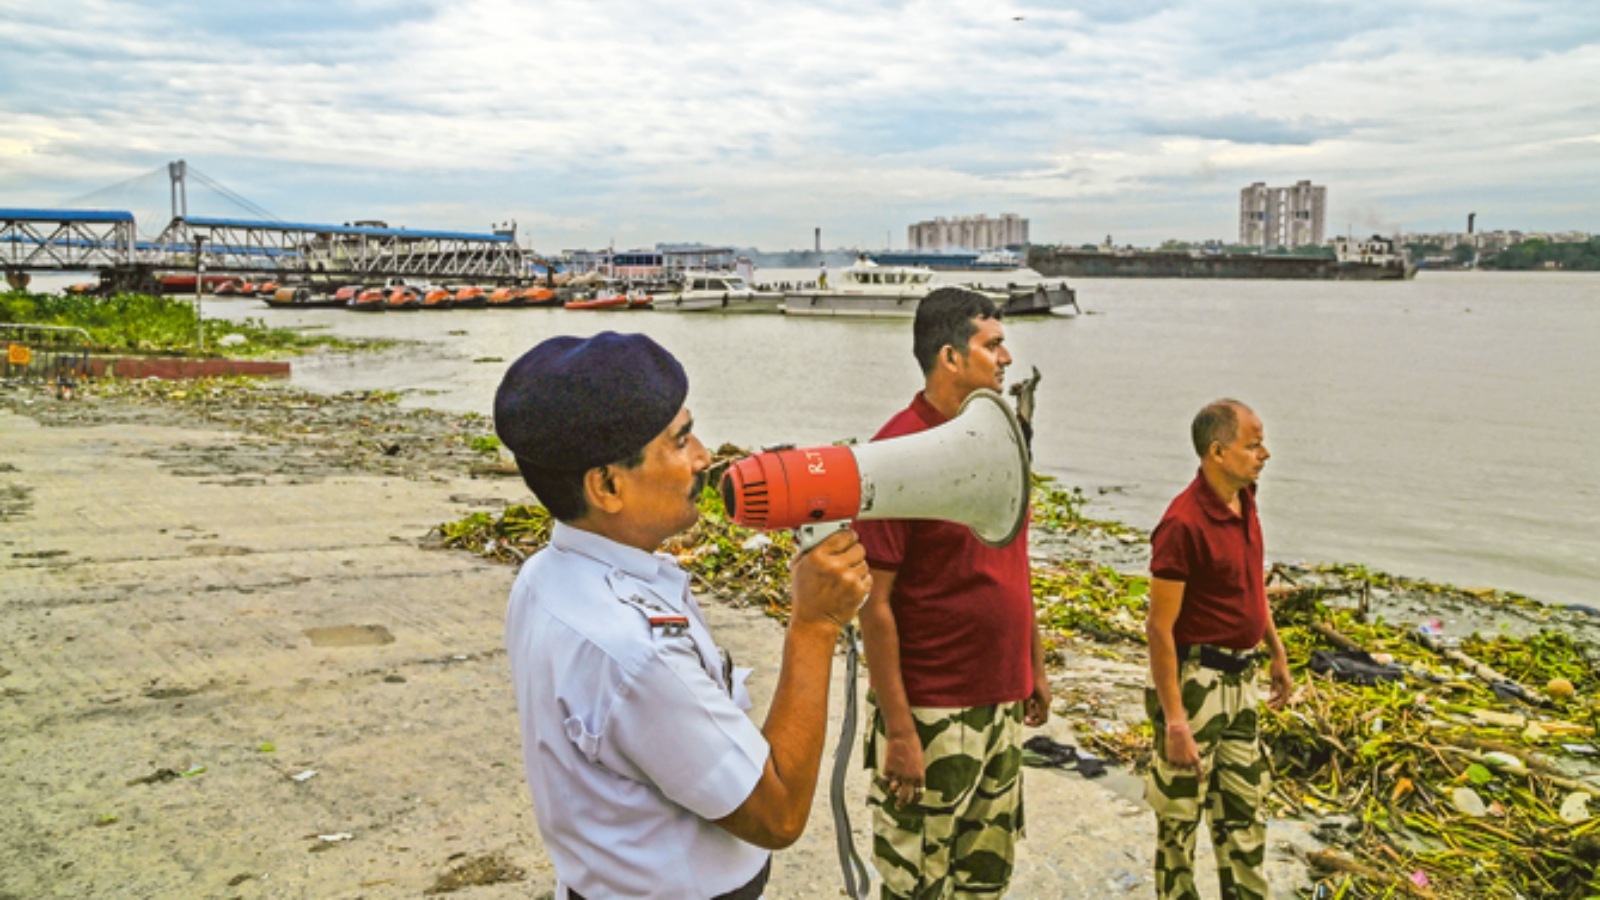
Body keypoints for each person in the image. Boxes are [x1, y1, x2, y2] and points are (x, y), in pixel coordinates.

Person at [494, 331, 872, 899]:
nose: (704, 458)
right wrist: (814, 625)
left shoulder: (546, 575)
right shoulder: (634, 651)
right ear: (607, 485)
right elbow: (778, 816)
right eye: (681, 440)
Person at [854, 287, 1051, 899]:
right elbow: (874, 606)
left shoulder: (999, 443)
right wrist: (902, 731)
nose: (1007, 358)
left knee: (985, 880)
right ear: (950, 357)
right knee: (917, 883)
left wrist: (1033, 667)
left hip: (1000, 704)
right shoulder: (898, 455)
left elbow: (1012, 563)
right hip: (934, 710)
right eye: (992, 345)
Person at [1143, 399, 1294, 900]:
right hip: (1196, 682)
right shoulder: (1182, 525)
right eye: (1252, 445)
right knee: (1180, 819)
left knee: (1244, 812)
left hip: (1241, 680)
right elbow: (1159, 629)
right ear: (1217, 452)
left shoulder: (1245, 500)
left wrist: (1275, 651)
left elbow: (1250, 588)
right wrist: (1175, 721)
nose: (1264, 454)